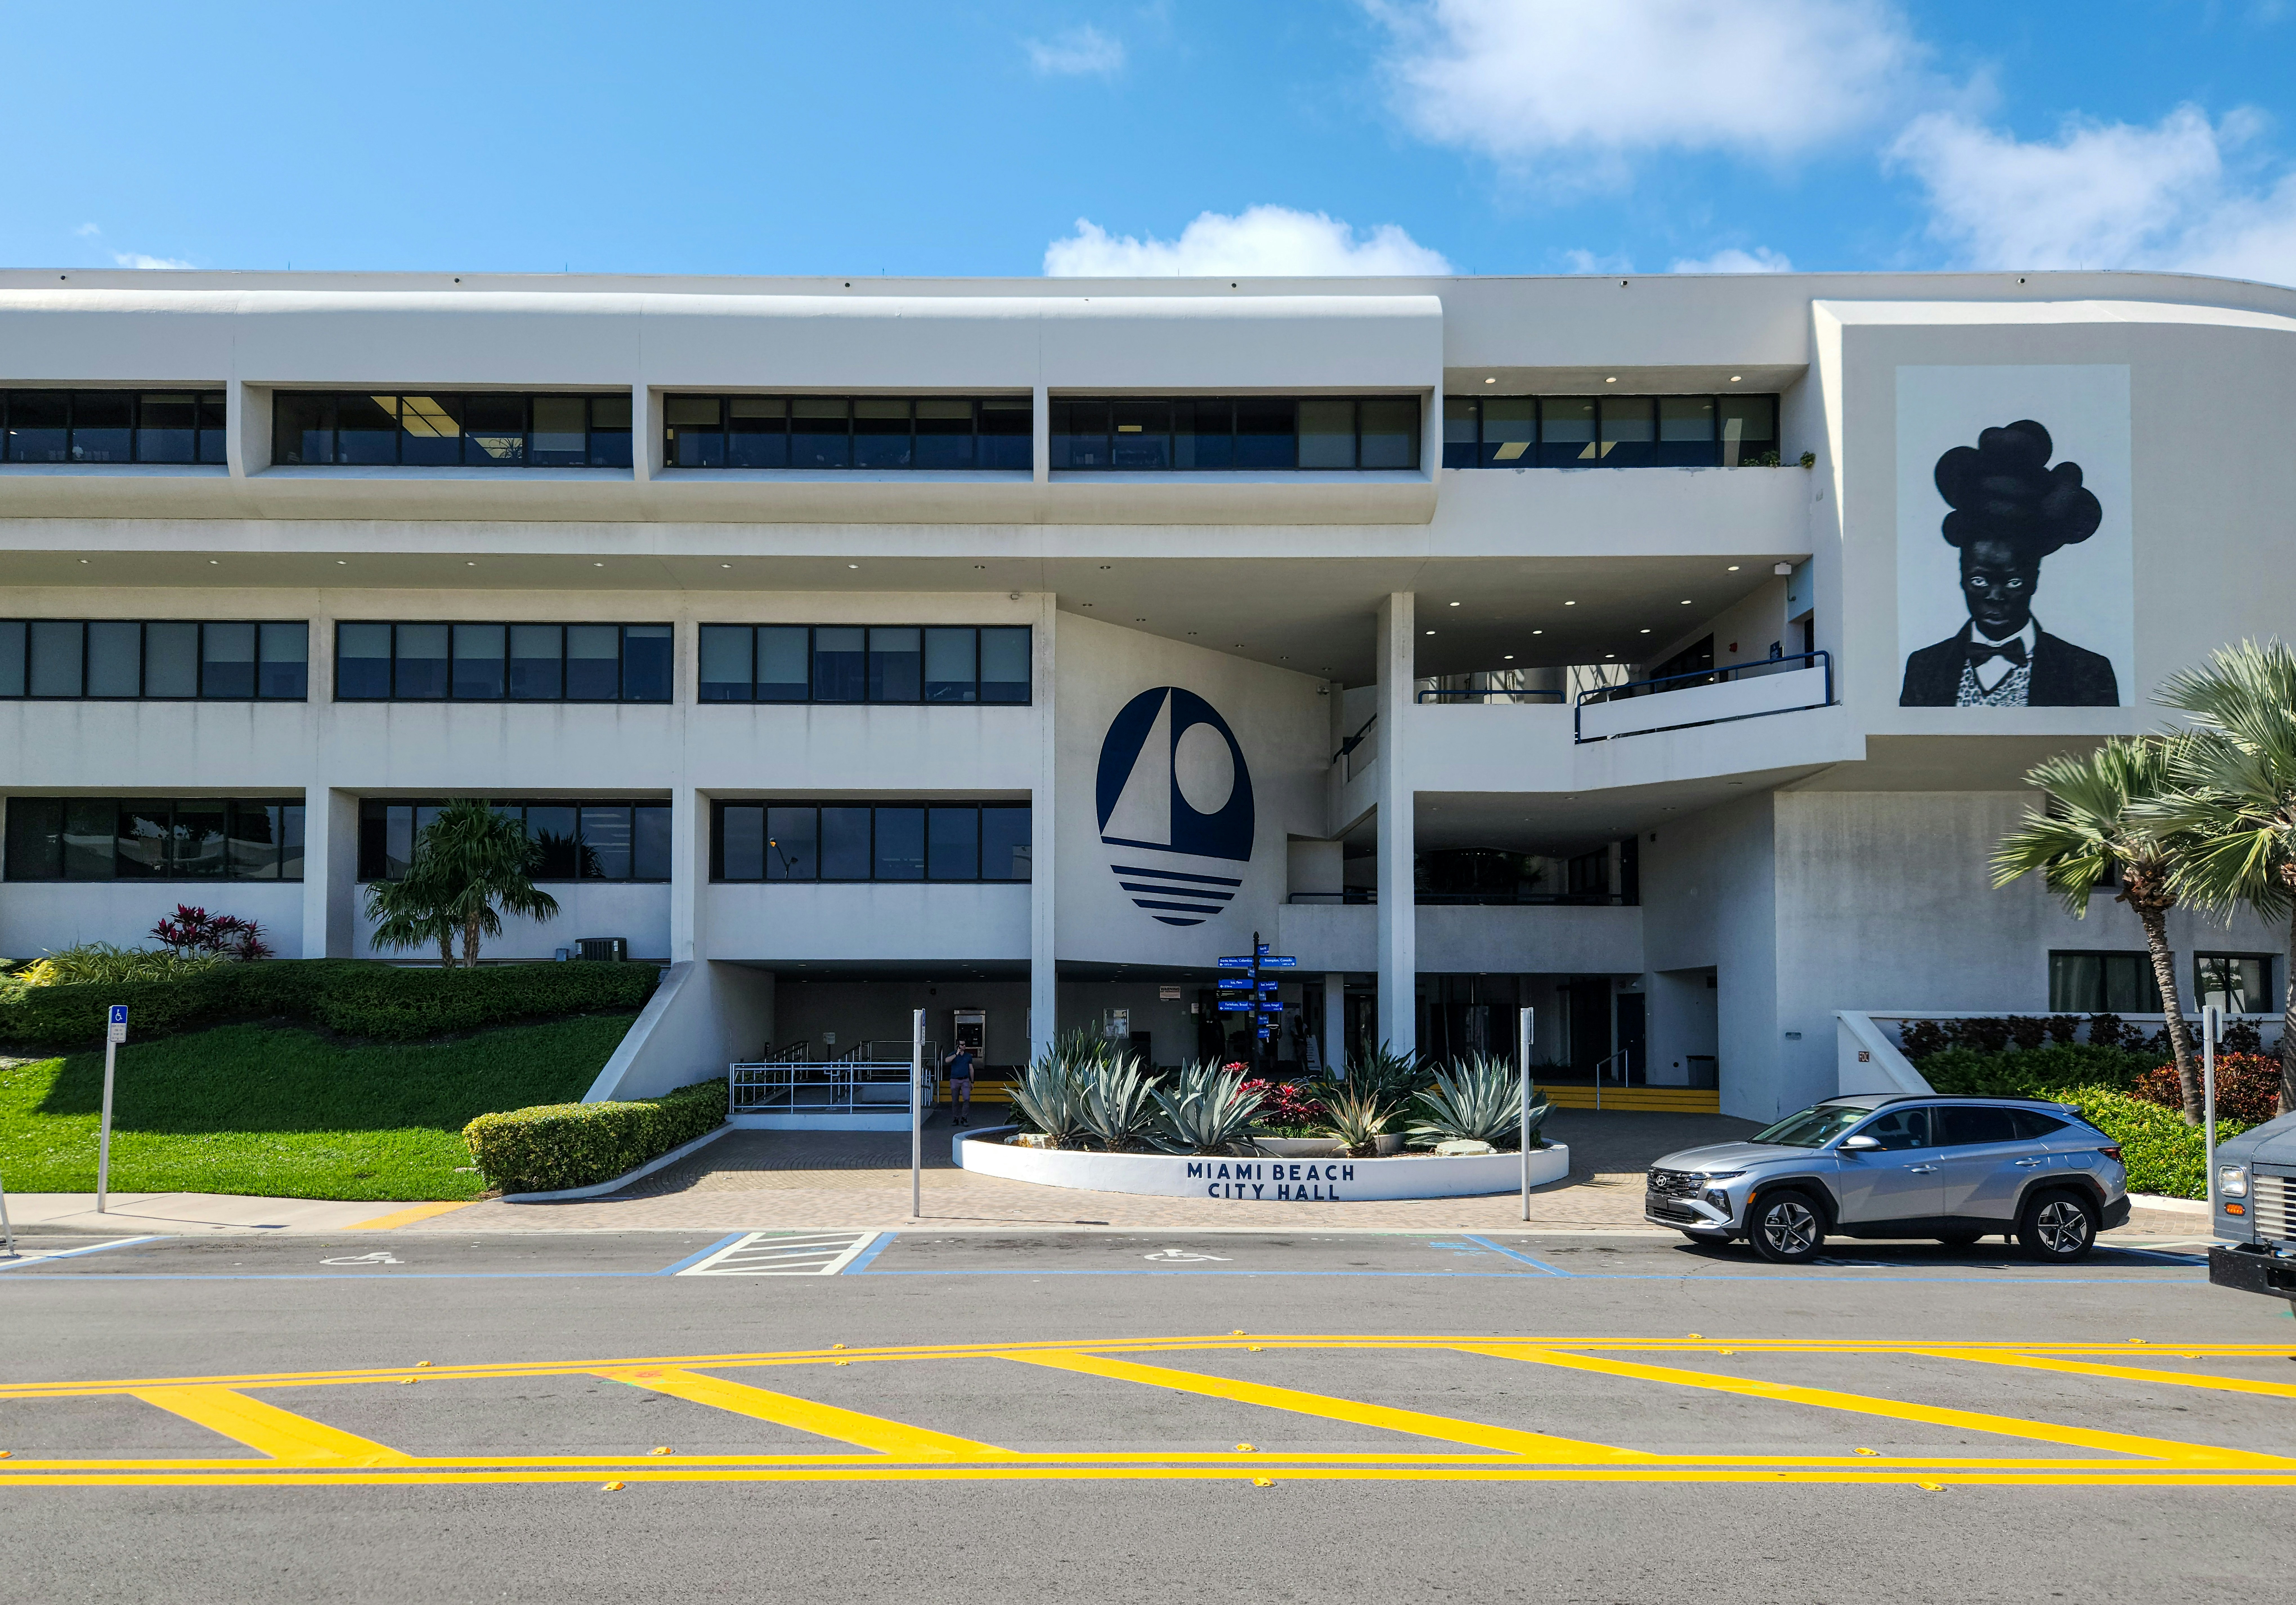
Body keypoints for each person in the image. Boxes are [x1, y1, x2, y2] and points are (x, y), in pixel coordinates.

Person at [1899, 418, 2119, 708]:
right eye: (1980, 580)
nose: (1995, 597)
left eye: (2013, 582)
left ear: (2035, 580)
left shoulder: (2087, 673)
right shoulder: (1924, 669)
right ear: (1962, 576)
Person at [942, 1042, 975, 1128]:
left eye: (965, 1044)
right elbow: (947, 1061)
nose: (964, 1046)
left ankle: (964, 1118)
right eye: (962, 1044)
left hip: (965, 1080)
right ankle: (956, 1118)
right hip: (955, 1080)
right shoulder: (953, 1054)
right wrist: (956, 1054)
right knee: (955, 1100)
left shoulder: (968, 1056)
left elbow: (971, 1069)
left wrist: (972, 1082)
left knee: (967, 1099)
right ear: (958, 1046)